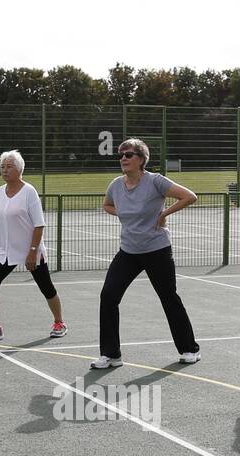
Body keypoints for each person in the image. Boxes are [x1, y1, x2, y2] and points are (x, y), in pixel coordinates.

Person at [94, 138, 201, 369]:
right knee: (109, 296)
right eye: (121, 155)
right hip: (128, 251)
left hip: (157, 250)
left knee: (169, 297)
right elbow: (107, 205)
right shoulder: (116, 185)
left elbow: (189, 196)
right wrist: (122, 212)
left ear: (141, 159)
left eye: (129, 154)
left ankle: (189, 349)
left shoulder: (155, 181)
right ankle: (111, 355)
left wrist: (164, 214)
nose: (123, 158)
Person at [0, 150, 67, 343]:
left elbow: (39, 224)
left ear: (19, 169)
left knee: (46, 286)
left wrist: (33, 251)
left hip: (30, 249)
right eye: (2, 167)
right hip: (4, 251)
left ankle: (59, 322)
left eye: (9, 167)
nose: (4, 170)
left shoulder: (29, 192)